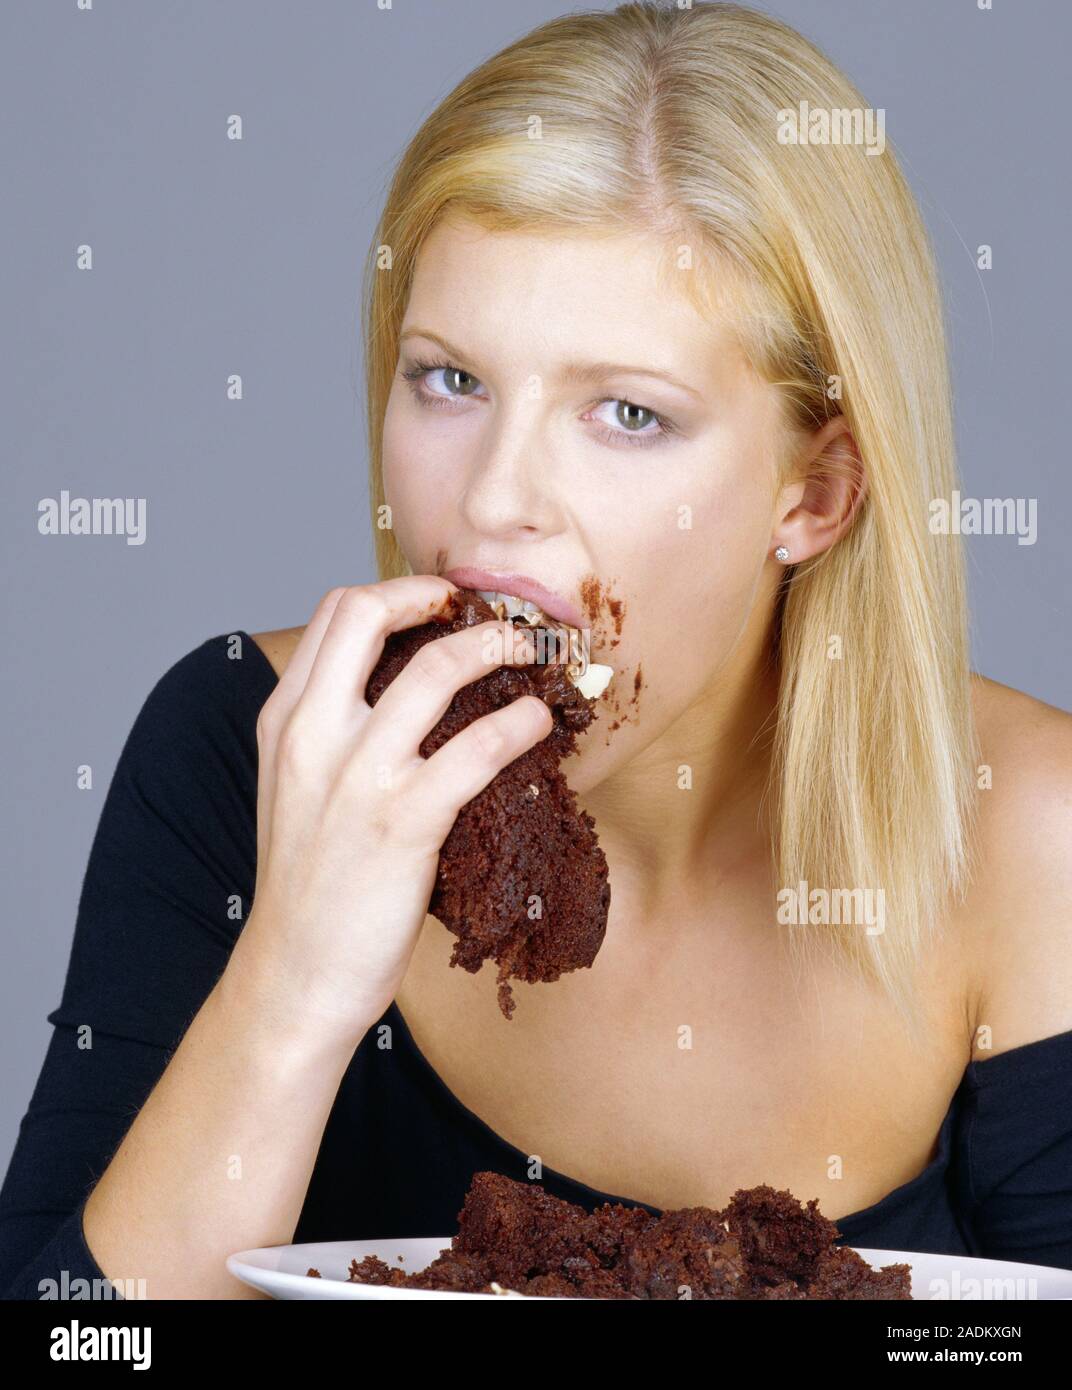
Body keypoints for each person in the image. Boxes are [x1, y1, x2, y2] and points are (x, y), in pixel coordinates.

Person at [3, 1, 1070, 1299]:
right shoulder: (247, 746)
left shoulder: (1026, 837)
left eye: (627, 413)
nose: (494, 500)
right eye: (451, 381)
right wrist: (290, 983)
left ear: (817, 493)